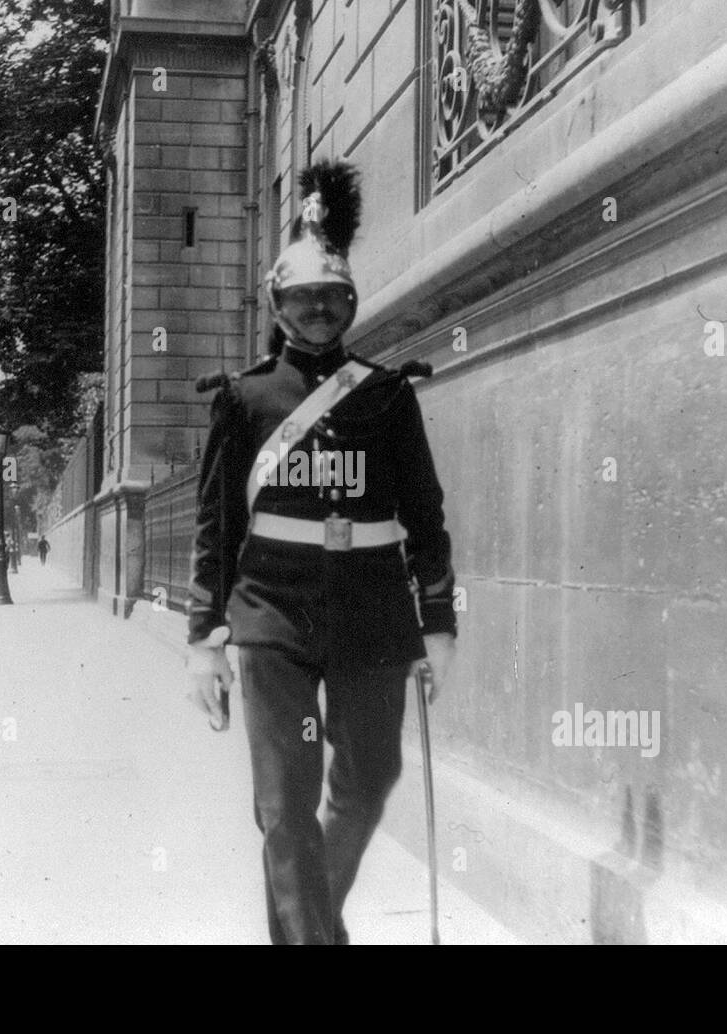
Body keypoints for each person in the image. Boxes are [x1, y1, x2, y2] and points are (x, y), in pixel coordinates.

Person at [186, 160, 457, 945]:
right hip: (273, 611)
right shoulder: (245, 399)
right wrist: (204, 639)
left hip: (373, 608)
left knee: (371, 779)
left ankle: (309, 924)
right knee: (284, 802)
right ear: (279, 307)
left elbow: (425, 515)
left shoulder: (386, 394)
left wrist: (437, 621)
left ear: (350, 305)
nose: (317, 312)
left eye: (332, 299)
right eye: (302, 299)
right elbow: (215, 528)